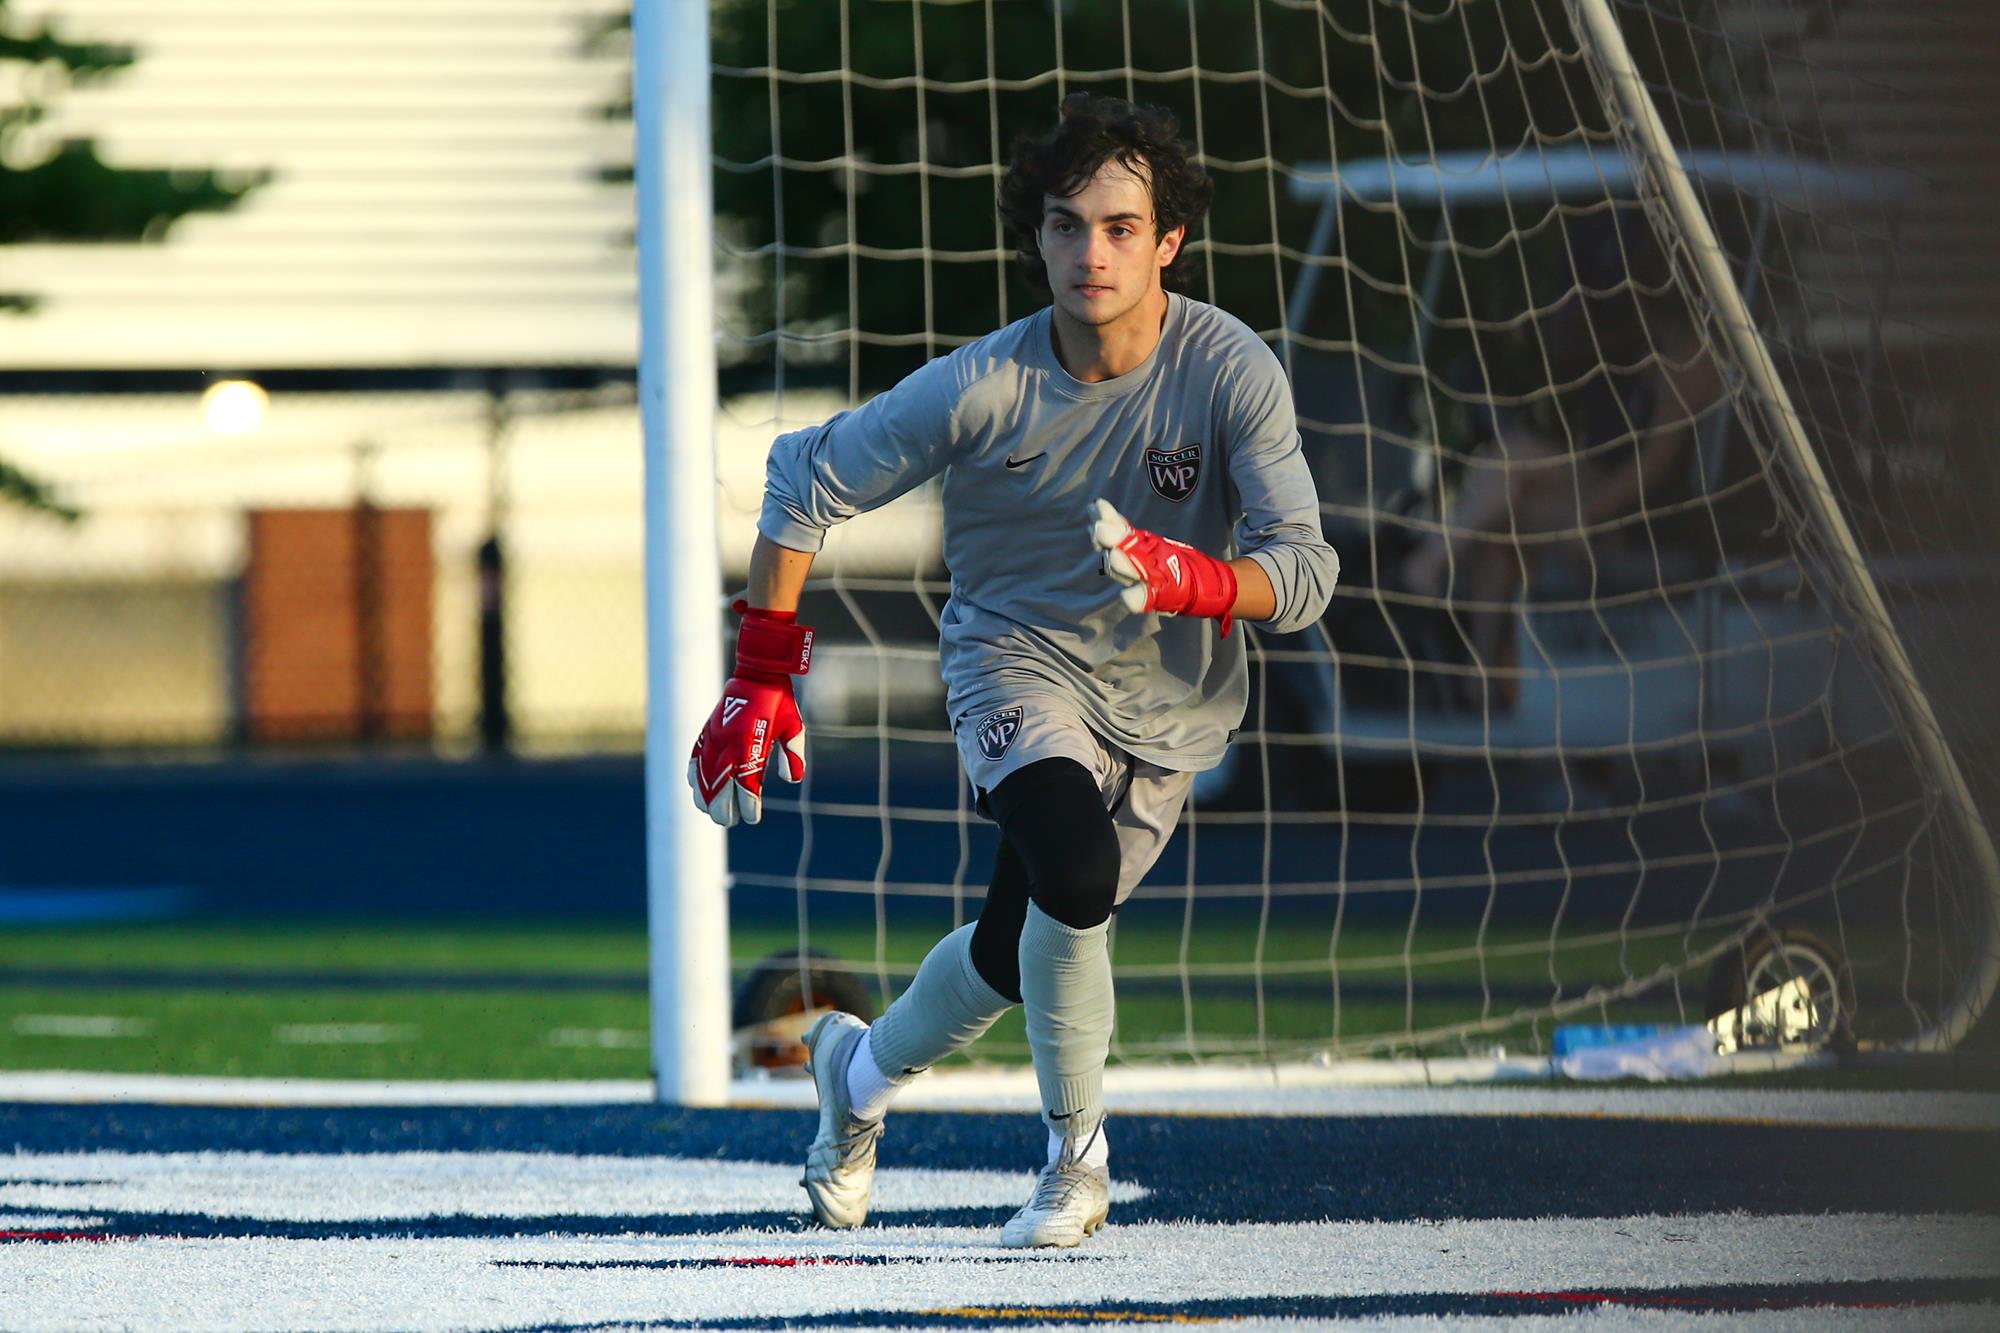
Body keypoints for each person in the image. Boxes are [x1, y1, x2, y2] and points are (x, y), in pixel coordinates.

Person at [686, 93, 1338, 1248]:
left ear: (1168, 241)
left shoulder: (1231, 370)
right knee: (1074, 875)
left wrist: (1193, 580)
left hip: (1171, 704)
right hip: (1013, 662)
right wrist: (758, 676)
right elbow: (798, 483)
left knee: (1011, 948)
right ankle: (1075, 1162)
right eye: (1064, 224)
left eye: (1120, 226)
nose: (1091, 251)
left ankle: (854, 1071)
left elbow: (1303, 569)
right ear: (1033, 238)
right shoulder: (982, 384)